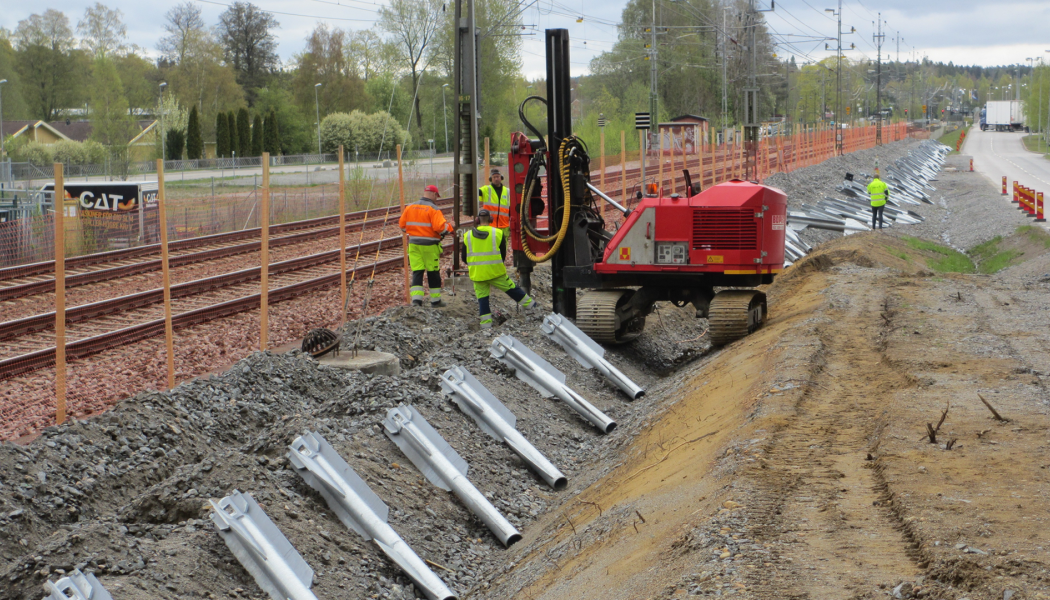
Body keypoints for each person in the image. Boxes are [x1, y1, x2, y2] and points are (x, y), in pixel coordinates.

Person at [461, 209, 537, 329]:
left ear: (477, 220)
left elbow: (464, 257)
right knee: (512, 290)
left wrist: (476, 264)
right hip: (496, 271)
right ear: (491, 220)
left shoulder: (467, 235)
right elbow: (502, 255)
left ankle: (486, 326)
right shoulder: (497, 233)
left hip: (478, 274)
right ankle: (533, 308)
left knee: (482, 298)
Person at [399, 184, 454, 307]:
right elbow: (440, 228)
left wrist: (415, 232)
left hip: (413, 245)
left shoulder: (410, 207)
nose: (437, 199)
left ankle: (416, 301)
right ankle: (435, 301)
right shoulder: (433, 209)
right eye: (437, 196)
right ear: (434, 194)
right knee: (433, 272)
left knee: (417, 272)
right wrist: (451, 226)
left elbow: (402, 226)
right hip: (429, 246)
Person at [478, 168, 511, 239]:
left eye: (498, 177)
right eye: (494, 177)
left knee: (503, 247)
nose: (496, 179)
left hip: (504, 225)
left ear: (501, 178)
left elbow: (511, 208)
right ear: (491, 179)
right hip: (490, 225)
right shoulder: (486, 189)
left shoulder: (507, 191)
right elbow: (476, 192)